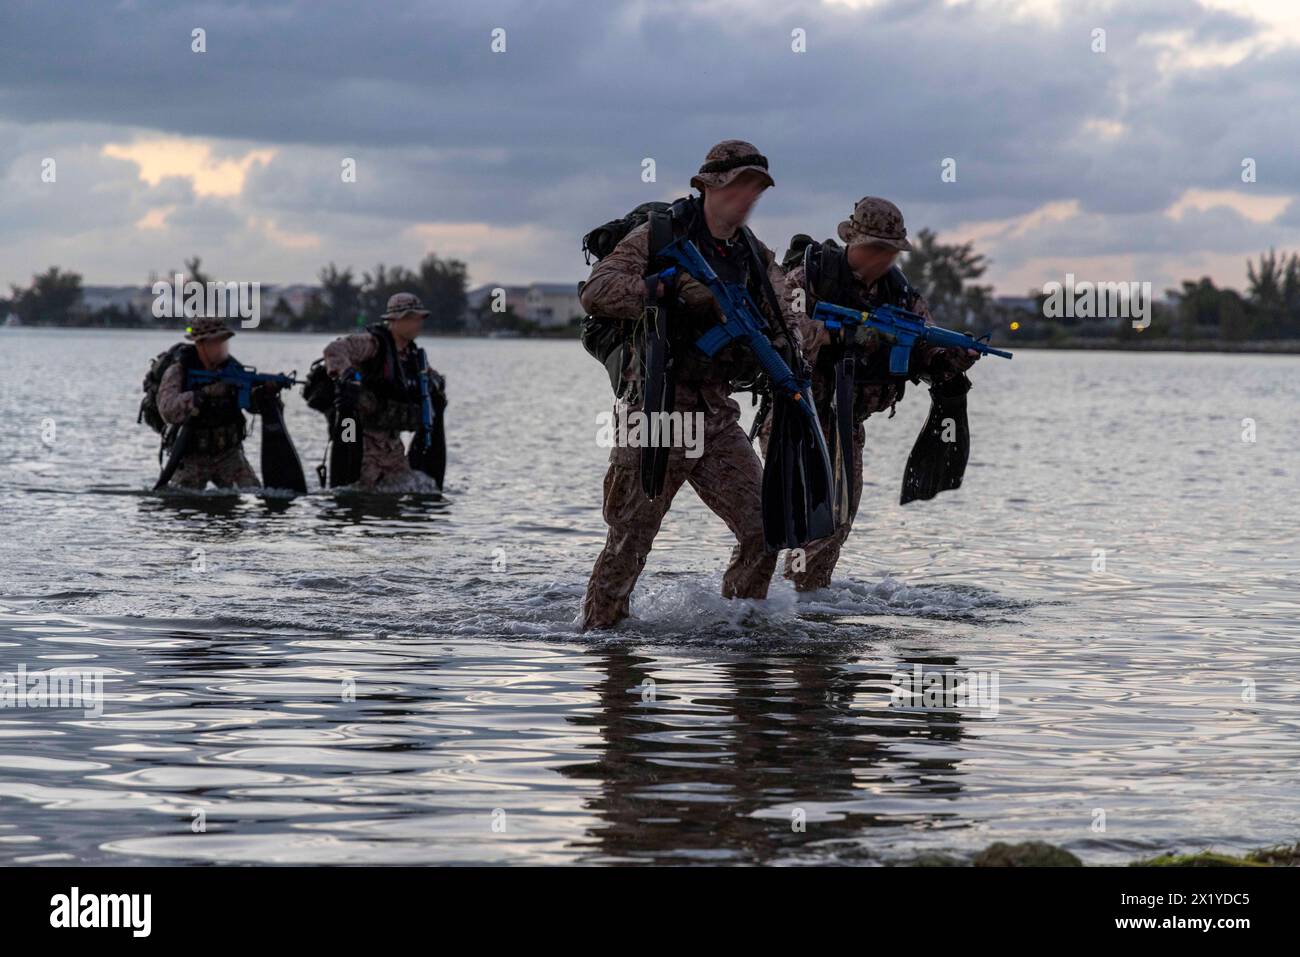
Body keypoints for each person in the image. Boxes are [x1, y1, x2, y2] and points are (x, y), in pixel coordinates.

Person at [579, 139, 804, 631]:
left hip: (717, 414)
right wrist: (668, 289)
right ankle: (602, 642)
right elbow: (596, 292)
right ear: (709, 186)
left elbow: (788, 315)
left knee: (765, 527)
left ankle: (740, 626)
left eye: (756, 190)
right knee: (630, 539)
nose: (746, 199)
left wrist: (793, 350)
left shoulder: (753, 255)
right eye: (738, 186)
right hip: (656, 411)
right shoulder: (660, 234)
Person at [766, 196, 980, 591]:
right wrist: (848, 335)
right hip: (798, 414)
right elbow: (783, 330)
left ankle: (806, 601)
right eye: (877, 249)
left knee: (839, 520)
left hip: (848, 421)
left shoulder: (901, 296)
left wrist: (955, 357)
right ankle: (765, 602)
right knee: (802, 515)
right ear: (856, 243)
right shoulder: (811, 278)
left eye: (891, 251)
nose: (885, 259)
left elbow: (925, 349)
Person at [320, 291, 446, 491]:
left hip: (392, 445)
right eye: (410, 318)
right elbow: (334, 350)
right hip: (360, 440)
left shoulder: (413, 356)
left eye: (420, 317)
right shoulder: (373, 344)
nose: (417, 323)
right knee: (362, 495)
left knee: (408, 493)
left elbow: (434, 379)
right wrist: (347, 375)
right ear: (394, 320)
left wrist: (436, 385)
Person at [154, 317, 262, 489]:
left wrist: (264, 395)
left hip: (228, 453)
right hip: (191, 455)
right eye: (216, 342)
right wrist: (203, 394)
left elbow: (252, 406)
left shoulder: (233, 369)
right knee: (179, 502)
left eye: (223, 342)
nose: (222, 347)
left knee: (254, 492)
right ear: (201, 344)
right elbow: (167, 410)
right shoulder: (179, 370)